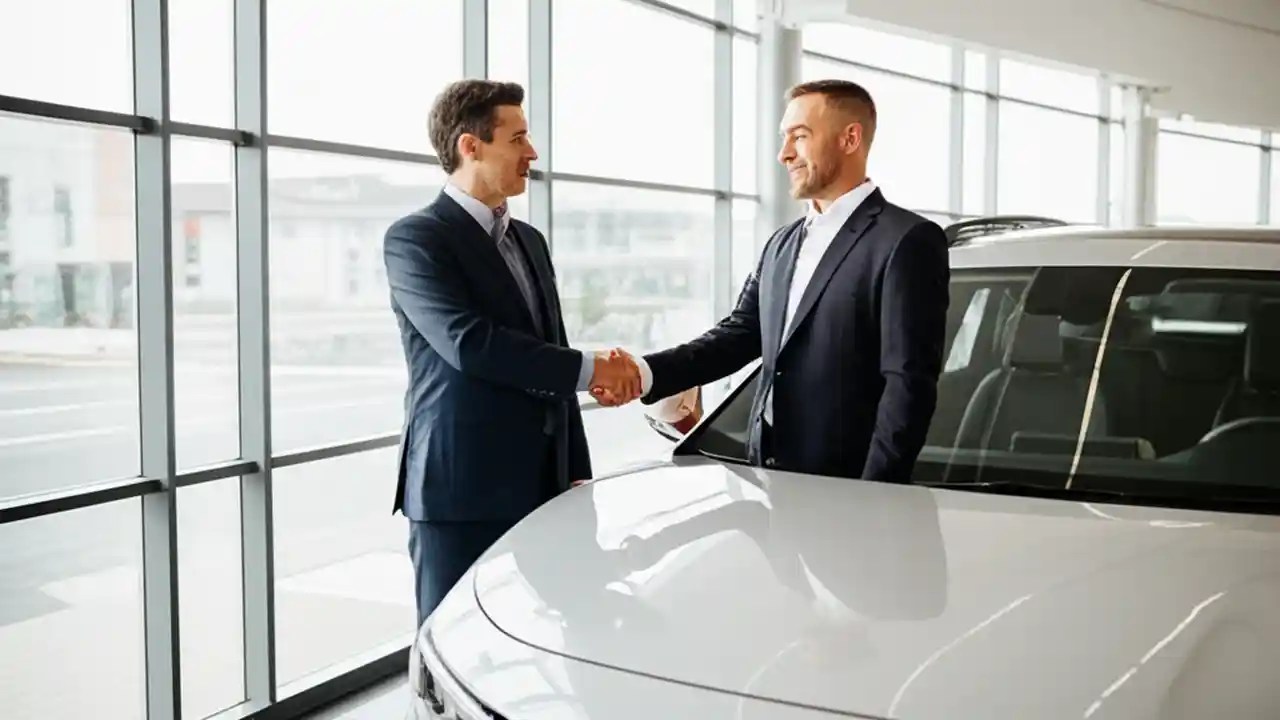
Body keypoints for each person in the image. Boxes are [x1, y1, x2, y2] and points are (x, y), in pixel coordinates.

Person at [383, 79, 640, 627]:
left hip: (548, 481)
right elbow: (469, 343)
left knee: (579, 626)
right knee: (451, 639)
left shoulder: (529, 240)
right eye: (517, 138)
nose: (533, 152)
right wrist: (595, 369)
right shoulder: (416, 239)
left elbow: (549, 347)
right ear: (469, 146)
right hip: (463, 487)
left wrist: (575, 466)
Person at [610, 79, 950, 482]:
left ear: (850, 138)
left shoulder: (906, 240)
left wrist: (874, 497)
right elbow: (740, 335)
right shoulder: (782, 243)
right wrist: (646, 373)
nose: (784, 153)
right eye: (784, 138)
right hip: (768, 478)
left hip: (846, 489)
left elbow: (907, 385)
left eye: (800, 136)